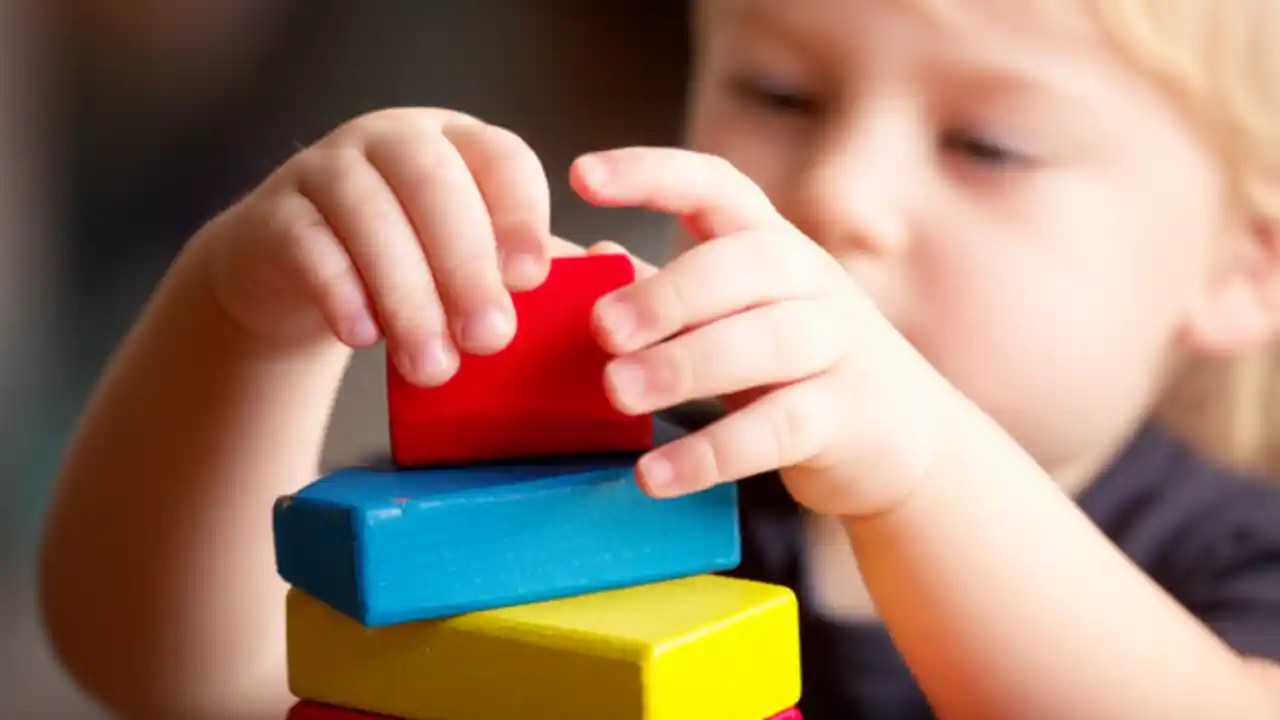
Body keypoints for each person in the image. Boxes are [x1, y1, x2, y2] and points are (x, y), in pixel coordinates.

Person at [38, 0, 1280, 717]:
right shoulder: (617, 490)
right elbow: (190, 675)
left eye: (988, 145)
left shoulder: (1232, 567)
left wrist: (921, 469)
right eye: (781, 94)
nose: (840, 191)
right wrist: (245, 316)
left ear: (1240, 266)